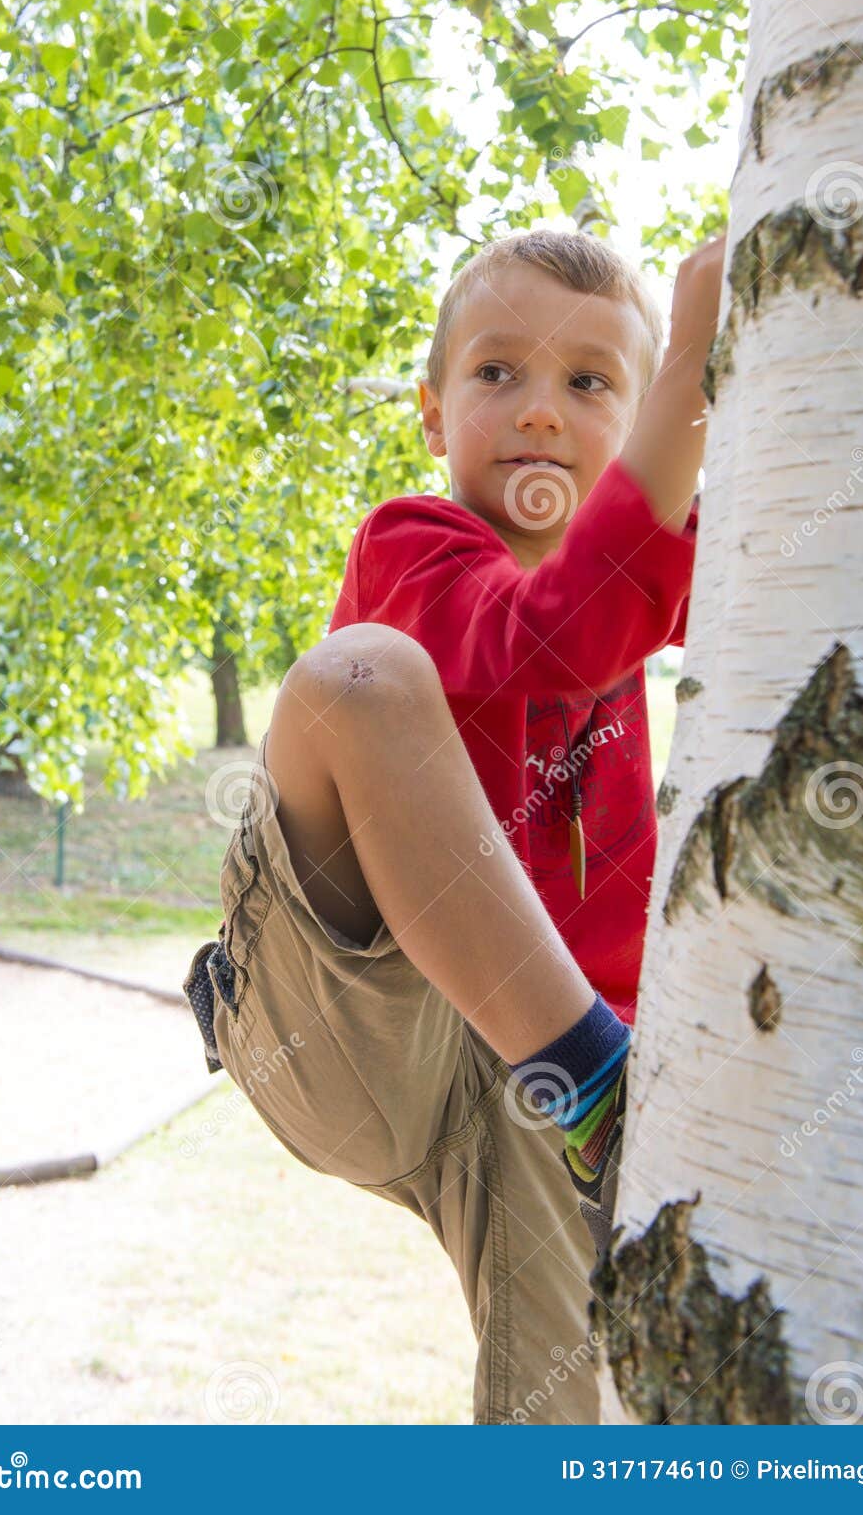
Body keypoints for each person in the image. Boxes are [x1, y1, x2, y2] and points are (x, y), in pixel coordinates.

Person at [184, 226, 725, 1425]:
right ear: (433, 411)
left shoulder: (664, 577)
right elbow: (553, 627)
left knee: (571, 1408)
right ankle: (593, 1080)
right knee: (358, 674)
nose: (540, 410)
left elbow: (663, 575)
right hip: (354, 1018)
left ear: (635, 426)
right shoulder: (415, 544)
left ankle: (594, 1089)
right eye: (498, 373)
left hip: (556, 1088)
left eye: (590, 383)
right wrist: (688, 361)